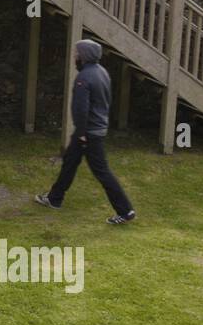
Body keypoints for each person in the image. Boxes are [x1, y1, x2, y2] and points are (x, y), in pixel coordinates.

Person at [35, 39, 136, 224]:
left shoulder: (84, 77)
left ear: (84, 55)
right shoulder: (102, 73)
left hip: (88, 133)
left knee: (102, 172)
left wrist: (81, 132)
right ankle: (54, 198)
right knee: (70, 161)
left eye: (77, 53)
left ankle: (126, 211)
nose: (75, 56)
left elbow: (81, 108)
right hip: (95, 129)